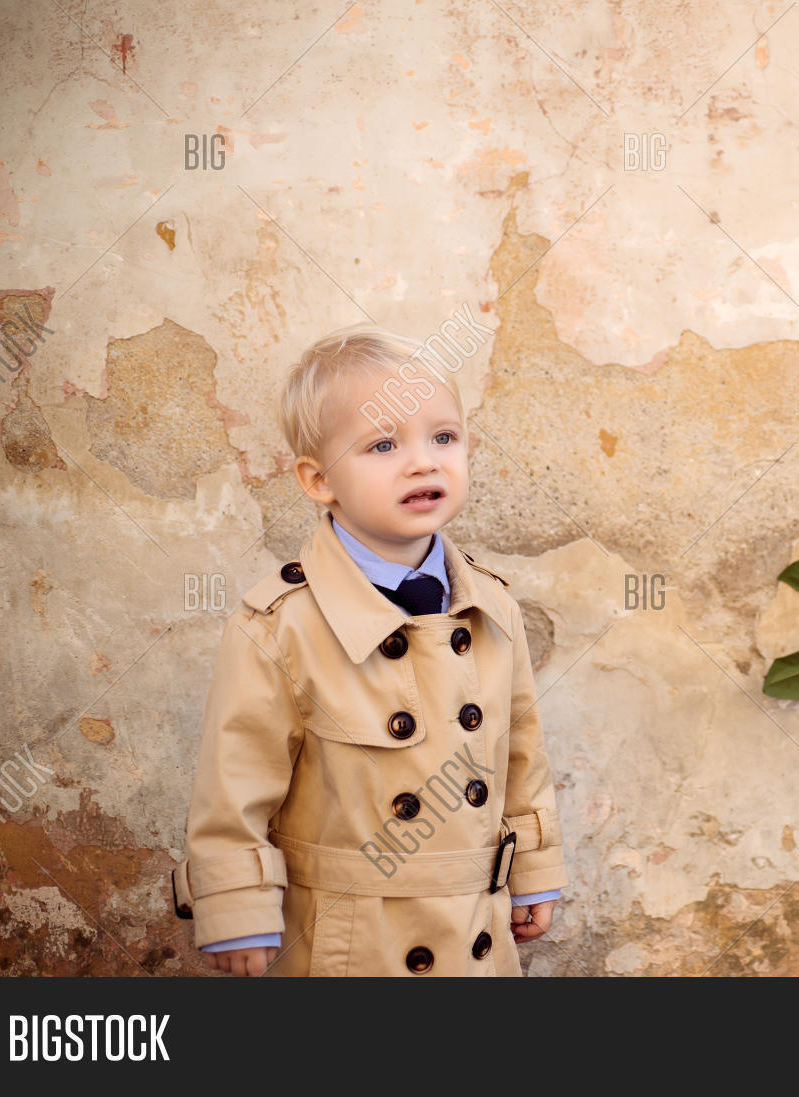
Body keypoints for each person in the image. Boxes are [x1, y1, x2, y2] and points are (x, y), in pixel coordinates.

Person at [170, 323, 568, 976]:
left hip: (477, 933)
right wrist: (237, 908)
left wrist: (534, 867)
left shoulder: (492, 608)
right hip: (349, 941)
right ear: (319, 478)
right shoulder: (282, 625)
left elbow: (523, 755)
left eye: (444, 436)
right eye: (383, 443)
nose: (423, 461)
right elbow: (234, 781)